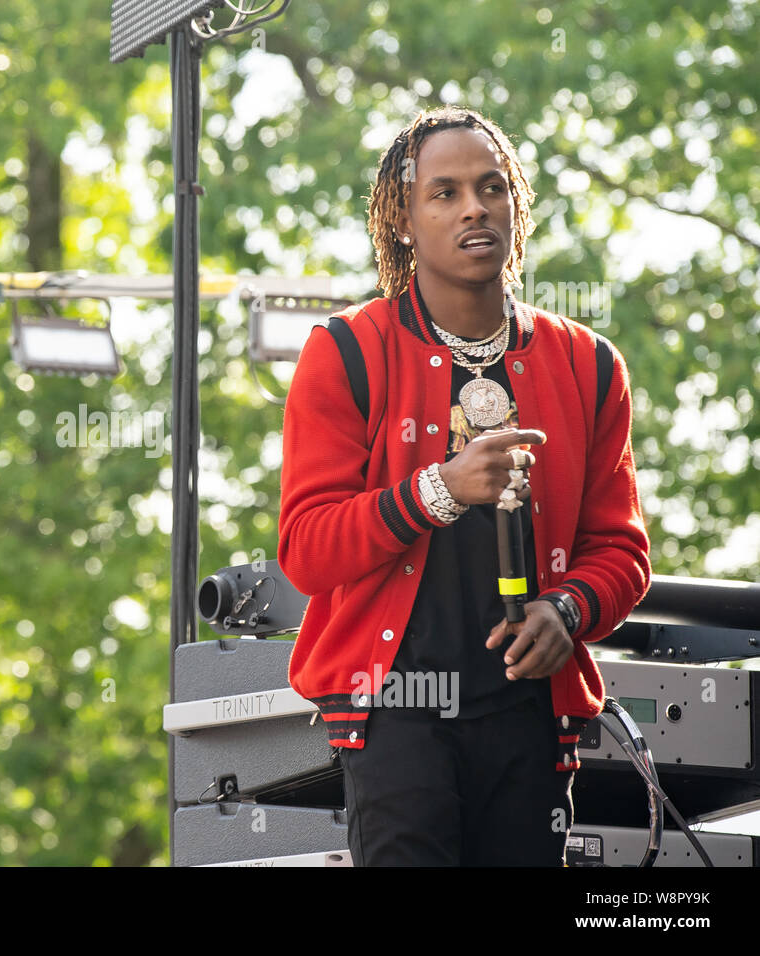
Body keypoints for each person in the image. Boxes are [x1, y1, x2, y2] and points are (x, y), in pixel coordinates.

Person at [277, 106, 652, 866]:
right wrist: (437, 491)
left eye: (491, 187)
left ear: (515, 205)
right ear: (403, 220)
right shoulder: (346, 350)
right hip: (395, 713)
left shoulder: (590, 364)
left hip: (529, 714)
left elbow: (621, 551)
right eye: (444, 193)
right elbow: (307, 550)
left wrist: (567, 610)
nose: (474, 207)